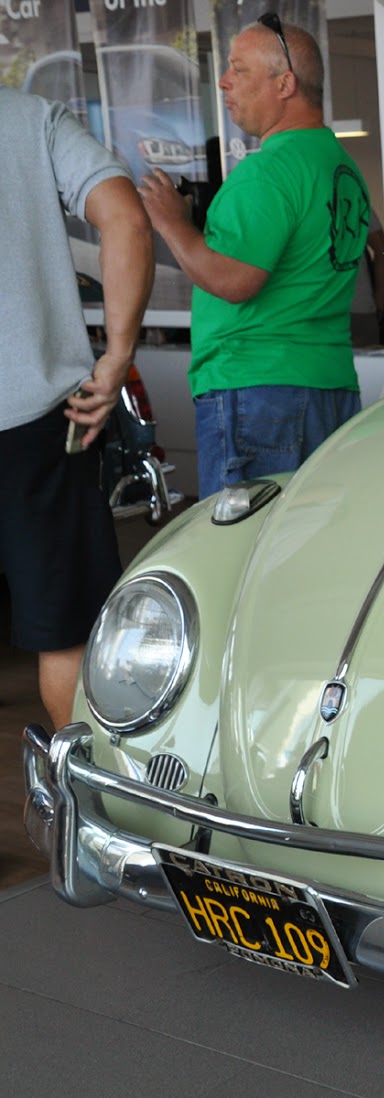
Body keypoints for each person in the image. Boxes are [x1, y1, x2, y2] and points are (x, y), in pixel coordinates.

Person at [138, 13, 371, 498]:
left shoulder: (268, 172)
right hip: (327, 387)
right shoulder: (338, 166)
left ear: (284, 83)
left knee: (241, 556)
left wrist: (171, 223)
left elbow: (234, 281)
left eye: (238, 69)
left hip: (258, 393)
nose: (223, 81)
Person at [0, 87, 155, 729]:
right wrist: (115, 357)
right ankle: (80, 811)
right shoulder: (30, 119)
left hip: (37, 428)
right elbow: (127, 219)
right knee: (66, 631)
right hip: (36, 426)